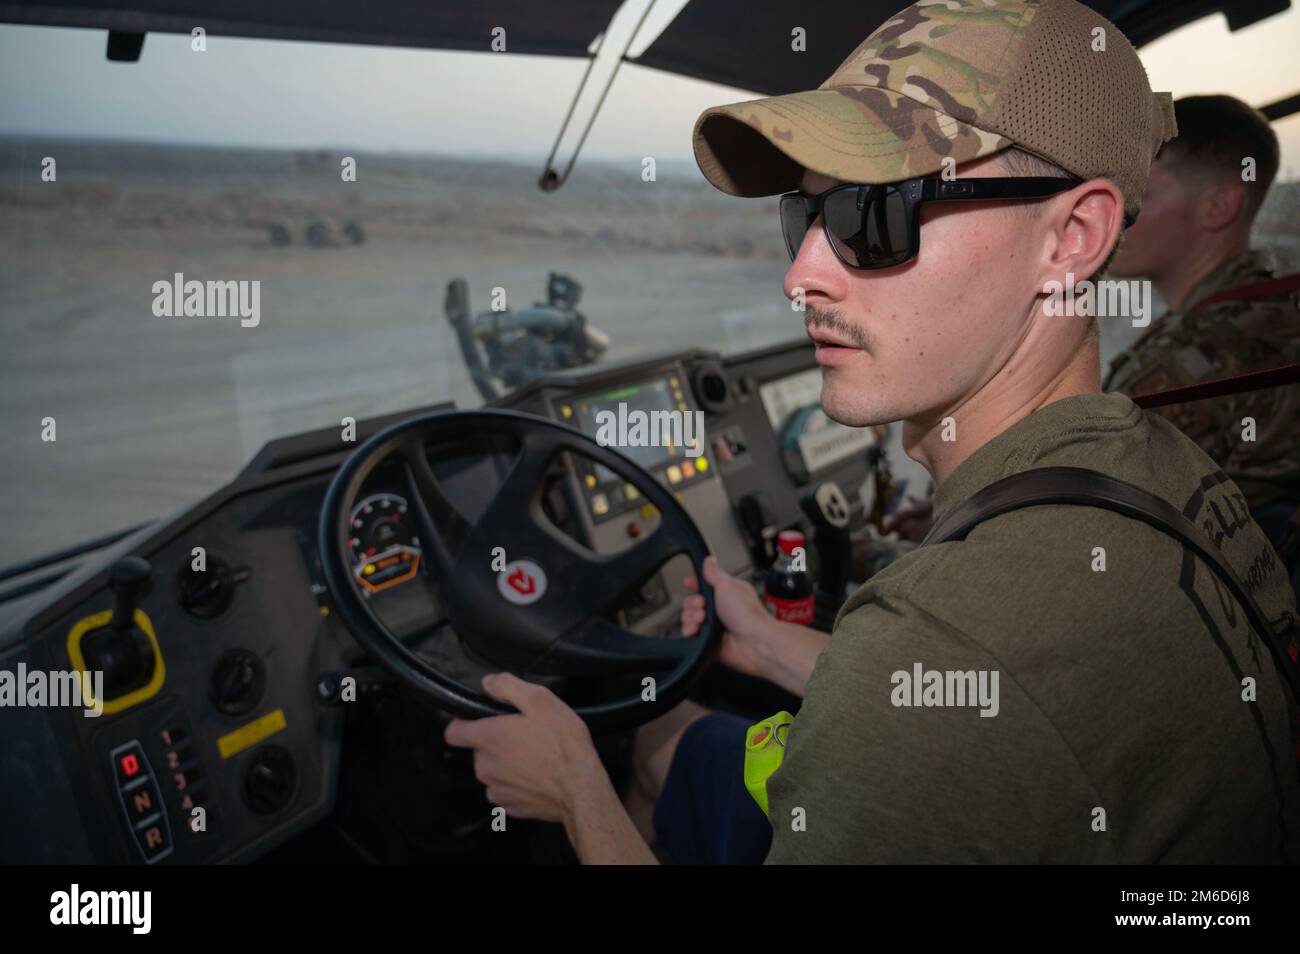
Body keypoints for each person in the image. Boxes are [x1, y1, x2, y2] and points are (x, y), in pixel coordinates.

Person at [444, 0, 1300, 863]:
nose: (800, 275)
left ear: (1073, 238)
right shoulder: (1162, 467)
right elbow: (1043, 716)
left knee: (662, 752)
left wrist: (576, 789)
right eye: (803, 217)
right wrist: (780, 645)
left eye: (873, 214)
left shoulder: (947, 625)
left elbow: (980, 687)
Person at [1105, 94, 1300, 589]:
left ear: (1218, 206)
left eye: (1139, 188)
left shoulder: (1209, 357)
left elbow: (1100, 525)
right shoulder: (1266, 313)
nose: (1116, 209)